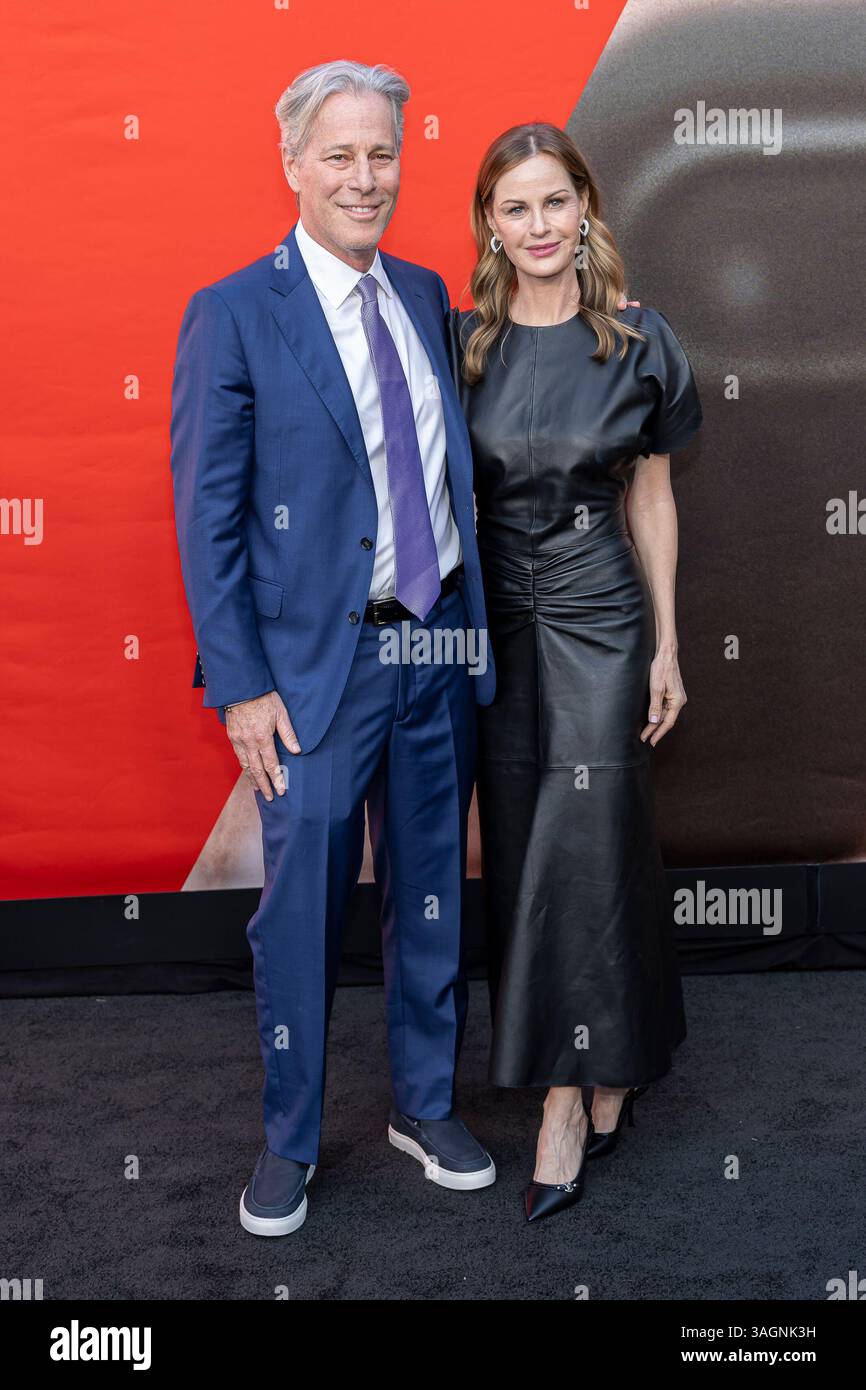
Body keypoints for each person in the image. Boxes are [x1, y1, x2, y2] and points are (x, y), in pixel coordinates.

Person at [169, 60, 499, 1236]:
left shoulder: (422, 294)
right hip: (311, 671)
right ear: (293, 166)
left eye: (384, 154)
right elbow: (206, 516)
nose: (367, 177)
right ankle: (291, 1137)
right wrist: (241, 684)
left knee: (428, 892)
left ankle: (422, 1104)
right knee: (301, 903)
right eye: (342, 155)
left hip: (433, 644)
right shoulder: (232, 311)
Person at [447, 123, 702, 1223]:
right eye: (515, 209)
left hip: (599, 618)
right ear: (489, 228)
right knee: (520, 846)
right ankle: (610, 1061)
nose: (539, 226)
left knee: (583, 839)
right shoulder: (462, 345)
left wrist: (668, 641)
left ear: (585, 208)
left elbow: (649, 494)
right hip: (496, 625)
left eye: (555, 203)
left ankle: (560, 1098)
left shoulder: (640, 342)